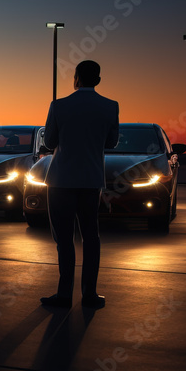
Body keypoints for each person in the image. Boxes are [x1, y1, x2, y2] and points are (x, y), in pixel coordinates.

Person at [40, 59, 119, 309]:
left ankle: (64, 295)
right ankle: (90, 294)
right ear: (98, 79)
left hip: (61, 180)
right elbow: (112, 142)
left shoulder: (59, 106)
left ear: (76, 78)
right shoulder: (110, 106)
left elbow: (50, 141)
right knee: (91, 236)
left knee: (64, 239)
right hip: (91, 179)